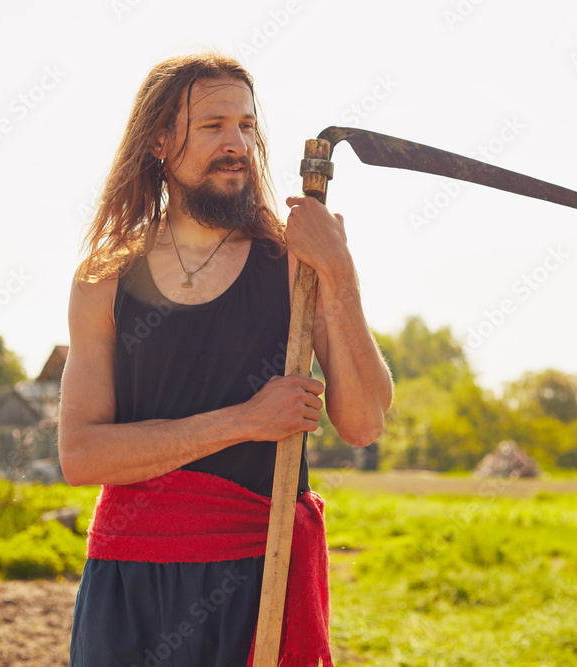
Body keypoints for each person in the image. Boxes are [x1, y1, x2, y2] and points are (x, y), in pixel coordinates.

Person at [59, 52, 393, 666]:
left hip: (252, 582)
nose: (236, 142)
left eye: (245, 125)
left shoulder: (293, 267)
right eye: (213, 126)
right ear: (159, 140)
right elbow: (81, 455)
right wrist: (244, 421)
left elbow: (365, 422)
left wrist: (339, 274)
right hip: (126, 585)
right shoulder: (104, 279)